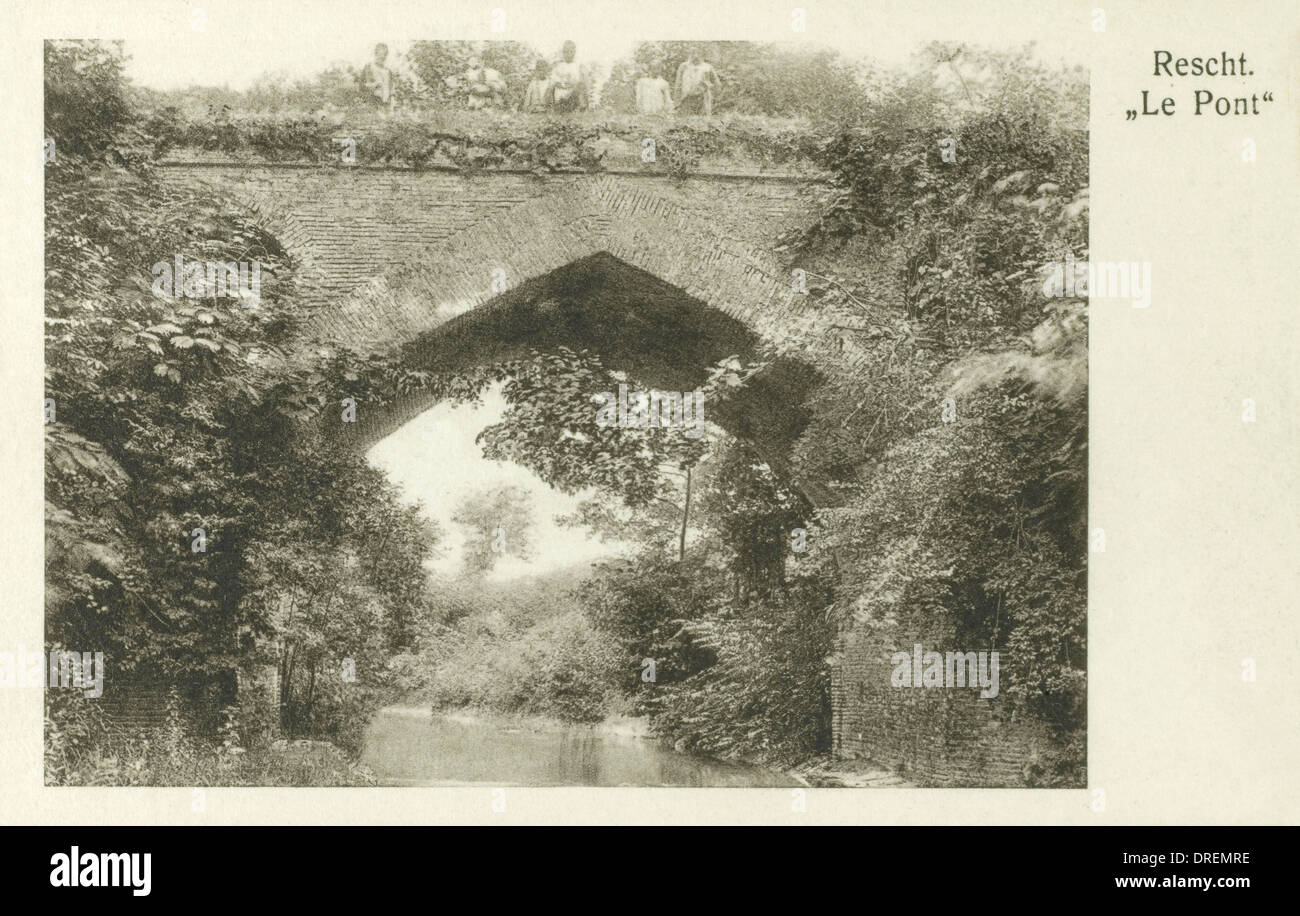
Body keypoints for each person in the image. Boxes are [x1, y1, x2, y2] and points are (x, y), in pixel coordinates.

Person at [674, 49, 720, 116]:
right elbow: (678, 84)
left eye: (698, 53)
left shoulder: (708, 67)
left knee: (702, 119)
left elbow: (717, 83)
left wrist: (709, 87)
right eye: (693, 53)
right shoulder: (683, 66)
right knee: (686, 120)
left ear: (702, 55)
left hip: (703, 98)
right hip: (686, 98)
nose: (696, 56)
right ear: (690, 55)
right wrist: (677, 102)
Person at [547, 40, 587, 112]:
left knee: (581, 85)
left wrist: (569, 85)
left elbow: (576, 82)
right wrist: (563, 85)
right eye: (566, 52)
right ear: (563, 52)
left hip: (571, 96)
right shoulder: (558, 65)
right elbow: (553, 82)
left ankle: (581, 108)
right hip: (559, 97)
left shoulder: (576, 66)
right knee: (550, 89)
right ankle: (552, 108)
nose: (568, 54)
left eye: (571, 52)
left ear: (574, 52)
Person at [361, 43, 394, 113]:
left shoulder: (388, 71)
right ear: (376, 54)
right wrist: (375, 84)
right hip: (373, 102)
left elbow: (391, 89)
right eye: (381, 54)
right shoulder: (369, 67)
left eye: (385, 54)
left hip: (386, 104)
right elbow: (363, 85)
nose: (383, 56)